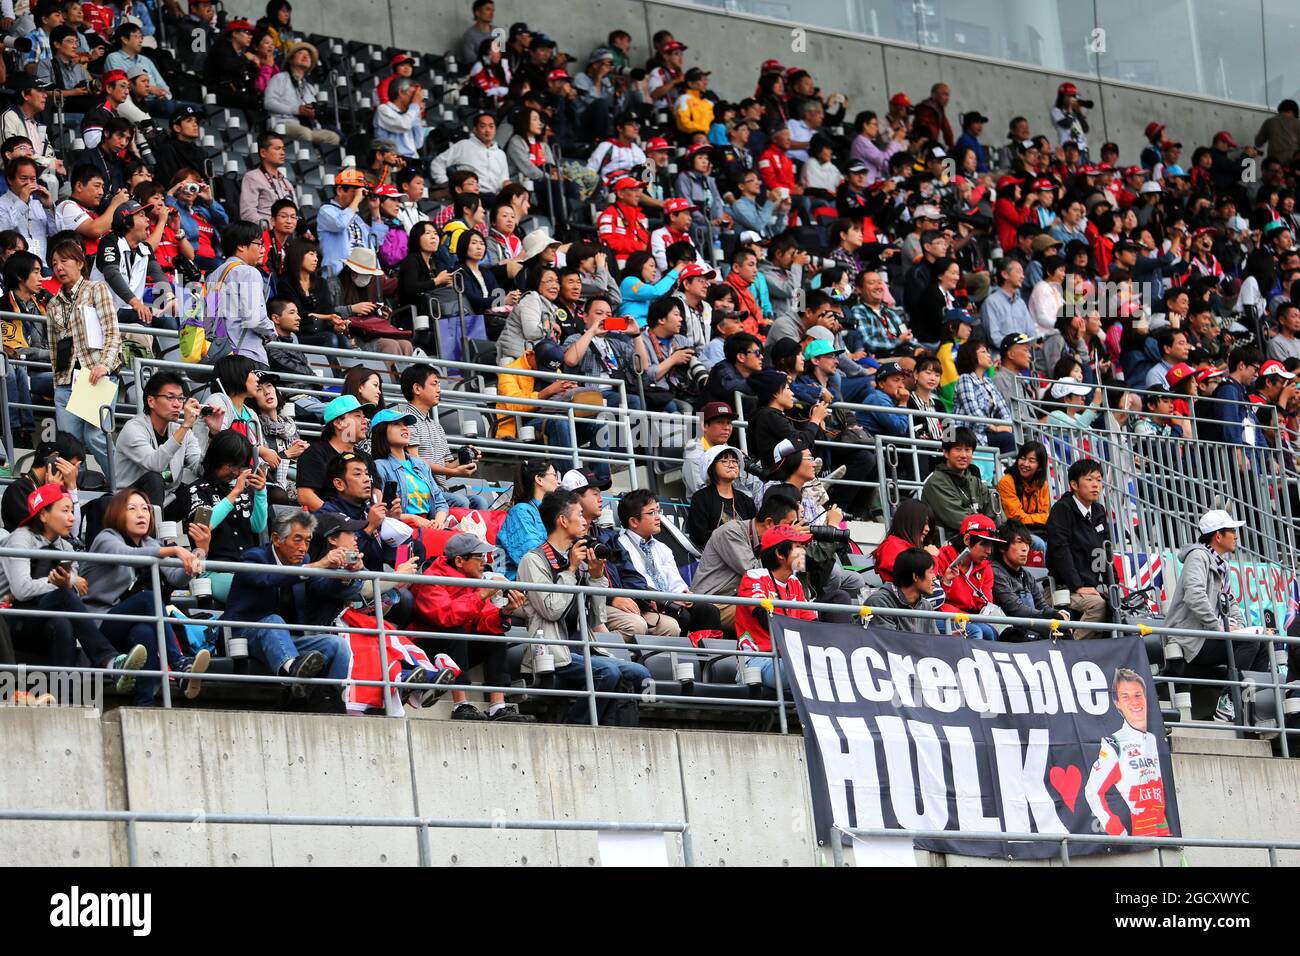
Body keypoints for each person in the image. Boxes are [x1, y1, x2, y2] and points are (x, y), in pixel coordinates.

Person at [517, 489, 651, 725]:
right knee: (608, 673)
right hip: (554, 651)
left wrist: (597, 575)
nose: (585, 520)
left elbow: (597, 618)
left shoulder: (575, 557)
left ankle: (614, 730)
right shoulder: (533, 560)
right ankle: (576, 727)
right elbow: (552, 610)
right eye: (579, 514)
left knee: (641, 674)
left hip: (585, 648)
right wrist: (570, 571)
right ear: (563, 520)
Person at [0, 483, 147, 695]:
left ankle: (65, 697)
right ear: (43, 515)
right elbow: (22, 590)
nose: (72, 517)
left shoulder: (66, 547)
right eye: (65, 510)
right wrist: (64, 583)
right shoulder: (20, 539)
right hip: (12, 617)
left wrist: (69, 584)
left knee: (63, 624)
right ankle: (110, 660)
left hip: (42, 614)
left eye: (71, 510)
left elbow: (79, 590)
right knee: (62, 593)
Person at [84, 488, 210, 703]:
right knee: (148, 598)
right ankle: (179, 663)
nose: (141, 514)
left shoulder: (150, 544)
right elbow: (128, 556)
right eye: (132, 509)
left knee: (146, 633)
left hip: (128, 625)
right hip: (99, 625)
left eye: (145, 509)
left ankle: (146, 704)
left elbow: (177, 578)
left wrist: (201, 550)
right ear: (117, 513)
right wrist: (174, 550)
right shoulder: (106, 538)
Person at [224, 510, 352, 699]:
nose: (303, 548)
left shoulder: (305, 562)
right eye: (297, 540)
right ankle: (293, 674)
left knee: (337, 644)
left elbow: (319, 586)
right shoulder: (254, 558)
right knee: (273, 621)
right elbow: (269, 578)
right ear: (276, 539)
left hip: (286, 639)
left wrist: (345, 575)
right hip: (245, 635)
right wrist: (317, 566)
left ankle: (334, 699)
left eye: (308, 541)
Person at [411, 533, 533, 722]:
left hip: (457, 645)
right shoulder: (432, 579)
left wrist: (505, 613)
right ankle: (461, 704)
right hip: (428, 648)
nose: (484, 562)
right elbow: (446, 617)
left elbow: (485, 620)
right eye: (479, 557)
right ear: (459, 560)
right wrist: (482, 594)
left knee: (495, 636)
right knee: (456, 631)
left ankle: (497, 706)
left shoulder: (472, 580)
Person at [1163, 509, 1270, 722]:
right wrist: (1220, 628)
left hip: (1208, 635)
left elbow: (1231, 602)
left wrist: (1238, 626)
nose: (1236, 536)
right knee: (1248, 643)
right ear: (1218, 536)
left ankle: (1249, 705)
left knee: (1262, 642)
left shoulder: (1222, 565)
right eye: (1232, 531)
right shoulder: (1198, 557)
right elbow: (1195, 596)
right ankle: (1228, 700)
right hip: (1190, 638)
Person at [46, 237, 120, 476]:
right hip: (67, 379)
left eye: (64, 261)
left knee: (96, 435)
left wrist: (104, 366)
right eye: (54, 263)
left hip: (95, 375)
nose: (58, 267)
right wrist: (58, 383)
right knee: (69, 445)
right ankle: (77, 488)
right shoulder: (53, 304)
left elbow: (111, 331)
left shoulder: (96, 289)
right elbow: (53, 347)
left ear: (80, 263)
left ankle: (123, 484)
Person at [617, 489, 723, 640]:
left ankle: (710, 660)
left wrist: (682, 594)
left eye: (657, 511)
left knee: (708, 611)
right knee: (682, 615)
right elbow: (633, 582)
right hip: (646, 602)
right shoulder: (621, 546)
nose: (657, 517)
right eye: (651, 513)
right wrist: (667, 600)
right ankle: (681, 660)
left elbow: (674, 579)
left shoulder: (662, 547)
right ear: (634, 521)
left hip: (670, 599)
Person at [1084, 668, 1170, 838]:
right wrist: (1117, 830)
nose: (1134, 702)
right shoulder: (1114, 744)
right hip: (1140, 835)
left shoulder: (1154, 739)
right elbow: (1092, 791)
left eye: (1138, 695)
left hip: (1164, 832)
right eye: (1126, 697)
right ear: (1117, 703)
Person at [389, 364, 486, 511]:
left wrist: (463, 460)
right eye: (434, 384)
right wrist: (454, 472)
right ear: (417, 389)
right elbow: (415, 461)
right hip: (421, 491)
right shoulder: (406, 421)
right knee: (462, 502)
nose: (439, 389)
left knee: (480, 502)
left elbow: (445, 468)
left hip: (441, 491)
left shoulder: (437, 427)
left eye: (439, 384)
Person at [735, 525, 816, 691]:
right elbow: (766, 620)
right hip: (757, 662)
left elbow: (811, 626)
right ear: (780, 554)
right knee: (807, 671)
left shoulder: (795, 583)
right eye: (798, 547)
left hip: (787, 660)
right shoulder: (754, 577)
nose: (804, 552)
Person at [113, 371, 209, 506]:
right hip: (128, 502)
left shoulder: (181, 431)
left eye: (181, 398)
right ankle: (156, 527)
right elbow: (155, 464)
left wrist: (214, 435)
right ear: (151, 401)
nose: (177, 404)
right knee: (154, 479)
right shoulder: (133, 429)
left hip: (167, 498)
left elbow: (201, 469)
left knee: (202, 488)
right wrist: (185, 426)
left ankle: (201, 528)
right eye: (170, 398)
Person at [1044, 458, 1111, 628]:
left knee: (1116, 606)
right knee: (1099, 606)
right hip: (1063, 588)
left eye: (1099, 480)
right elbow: (1061, 551)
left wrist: (1113, 585)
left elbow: (1106, 551)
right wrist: (1078, 586)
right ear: (1074, 484)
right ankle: (1073, 646)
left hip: (1090, 588)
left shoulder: (1098, 511)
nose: (1095, 485)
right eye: (1089, 480)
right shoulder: (1062, 509)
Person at [370, 408, 449, 529]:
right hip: (402, 529)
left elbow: (440, 502)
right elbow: (379, 512)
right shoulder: (379, 466)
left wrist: (438, 522)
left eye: (405, 424)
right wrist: (413, 518)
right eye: (397, 424)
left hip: (430, 526)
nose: (405, 428)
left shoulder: (421, 465)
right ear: (381, 431)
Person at [991, 520, 1068, 641]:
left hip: (1030, 625)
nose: (1025, 549)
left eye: (1027, 544)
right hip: (1011, 632)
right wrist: (1050, 616)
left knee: (1063, 629)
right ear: (1002, 547)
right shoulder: (995, 572)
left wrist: (1060, 614)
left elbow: (1041, 605)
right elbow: (1016, 609)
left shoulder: (1027, 576)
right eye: (1019, 542)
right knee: (1054, 633)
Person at [294, 394, 374, 510]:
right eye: (358, 416)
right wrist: (339, 519)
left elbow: (375, 494)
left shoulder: (366, 458)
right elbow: (305, 496)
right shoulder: (315, 454)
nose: (365, 421)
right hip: (329, 525)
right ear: (338, 423)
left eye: (364, 417)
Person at [921, 426, 1000, 538]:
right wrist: (989, 527)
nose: (963, 455)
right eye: (958, 449)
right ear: (946, 453)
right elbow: (960, 520)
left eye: (968, 450)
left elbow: (996, 512)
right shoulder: (936, 482)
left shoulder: (975, 481)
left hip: (979, 540)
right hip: (949, 545)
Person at [932, 513, 1001, 640]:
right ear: (967, 540)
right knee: (975, 631)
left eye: (991, 546)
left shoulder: (986, 568)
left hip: (971, 619)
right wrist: (946, 582)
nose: (989, 551)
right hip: (942, 617)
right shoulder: (940, 558)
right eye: (985, 544)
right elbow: (934, 601)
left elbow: (985, 605)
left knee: (991, 632)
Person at [263, 41, 340, 148]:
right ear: (290, 59)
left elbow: (309, 110)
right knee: (305, 133)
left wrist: (312, 113)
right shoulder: (279, 78)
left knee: (333, 138)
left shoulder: (309, 87)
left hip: (307, 127)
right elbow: (268, 103)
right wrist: (297, 110)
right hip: (283, 124)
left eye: (308, 55)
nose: (305, 56)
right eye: (300, 53)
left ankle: (319, 160)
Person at [1, 435, 83, 533]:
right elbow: (38, 533)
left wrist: (72, 489)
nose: (74, 474)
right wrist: (51, 493)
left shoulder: (62, 491)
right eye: (72, 466)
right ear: (54, 458)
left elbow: (73, 534)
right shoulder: (17, 490)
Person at [498, 459, 560, 580]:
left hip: (544, 580)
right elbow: (532, 558)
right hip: (521, 585)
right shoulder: (521, 511)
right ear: (539, 479)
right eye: (554, 476)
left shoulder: (550, 512)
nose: (558, 482)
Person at [253, 374, 309, 506]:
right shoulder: (255, 426)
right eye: (260, 389)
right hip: (271, 486)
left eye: (269, 386)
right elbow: (260, 468)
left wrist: (303, 451)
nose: (267, 392)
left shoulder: (289, 424)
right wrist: (288, 454)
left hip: (296, 481)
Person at [686, 445, 756, 549]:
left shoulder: (746, 500)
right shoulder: (701, 498)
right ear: (711, 466)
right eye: (724, 461)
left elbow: (754, 533)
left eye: (734, 461)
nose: (731, 465)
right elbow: (699, 536)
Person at [953, 339, 1016, 453]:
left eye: (988, 352)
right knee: (1008, 439)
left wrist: (1007, 426)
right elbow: (973, 411)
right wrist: (995, 428)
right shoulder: (965, 379)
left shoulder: (988, 382)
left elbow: (1004, 410)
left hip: (985, 434)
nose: (988, 355)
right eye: (983, 352)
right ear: (972, 356)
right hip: (969, 436)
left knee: (1014, 439)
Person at [429, 111, 509, 195]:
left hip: (494, 199)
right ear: (475, 130)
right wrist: (446, 185)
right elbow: (437, 163)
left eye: (491, 126)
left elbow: (504, 180)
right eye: (483, 126)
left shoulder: (500, 154)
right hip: (469, 196)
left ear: (495, 129)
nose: (488, 130)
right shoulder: (464, 145)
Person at [865, 547, 941, 634]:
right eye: (931, 572)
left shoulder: (926, 606)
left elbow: (933, 642)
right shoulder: (879, 603)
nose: (934, 577)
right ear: (915, 576)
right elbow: (886, 644)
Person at [996, 441, 1051, 550]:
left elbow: (1046, 514)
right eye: (1022, 458)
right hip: (1013, 530)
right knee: (1039, 544)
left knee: (1060, 542)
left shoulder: (1042, 485)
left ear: (1039, 467)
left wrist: (1034, 518)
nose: (1025, 464)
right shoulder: (1007, 482)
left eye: (1031, 461)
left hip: (1037, 529)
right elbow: (1015, 517)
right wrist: (1039, 518)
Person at [0, 156, 54, 264]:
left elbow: (55, 234)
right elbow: (2, 231)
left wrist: (49, 208)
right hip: (14, 267)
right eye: (23, 179)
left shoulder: (38, 204)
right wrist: (21, 202)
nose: (29, 183)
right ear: (10, 180)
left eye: (33, 179)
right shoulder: (2, 203)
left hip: (42, 265)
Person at [872, 498, 938, 583]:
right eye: (923, 523)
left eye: (929, 525)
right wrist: (932, 558)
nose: (927, 529)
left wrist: (946, 581)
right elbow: (918, 580)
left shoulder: (906, 547)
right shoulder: (892, 546)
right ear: (909, 522)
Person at [240, 132, 295, 225]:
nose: (283, 153)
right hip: (265, 234)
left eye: (283, 149)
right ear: (263, 153)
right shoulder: (252, 177)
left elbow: (295, 212)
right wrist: (269, 227)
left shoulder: (287, 183)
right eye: (277, 149)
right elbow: (247, 213)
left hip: (287, 236)